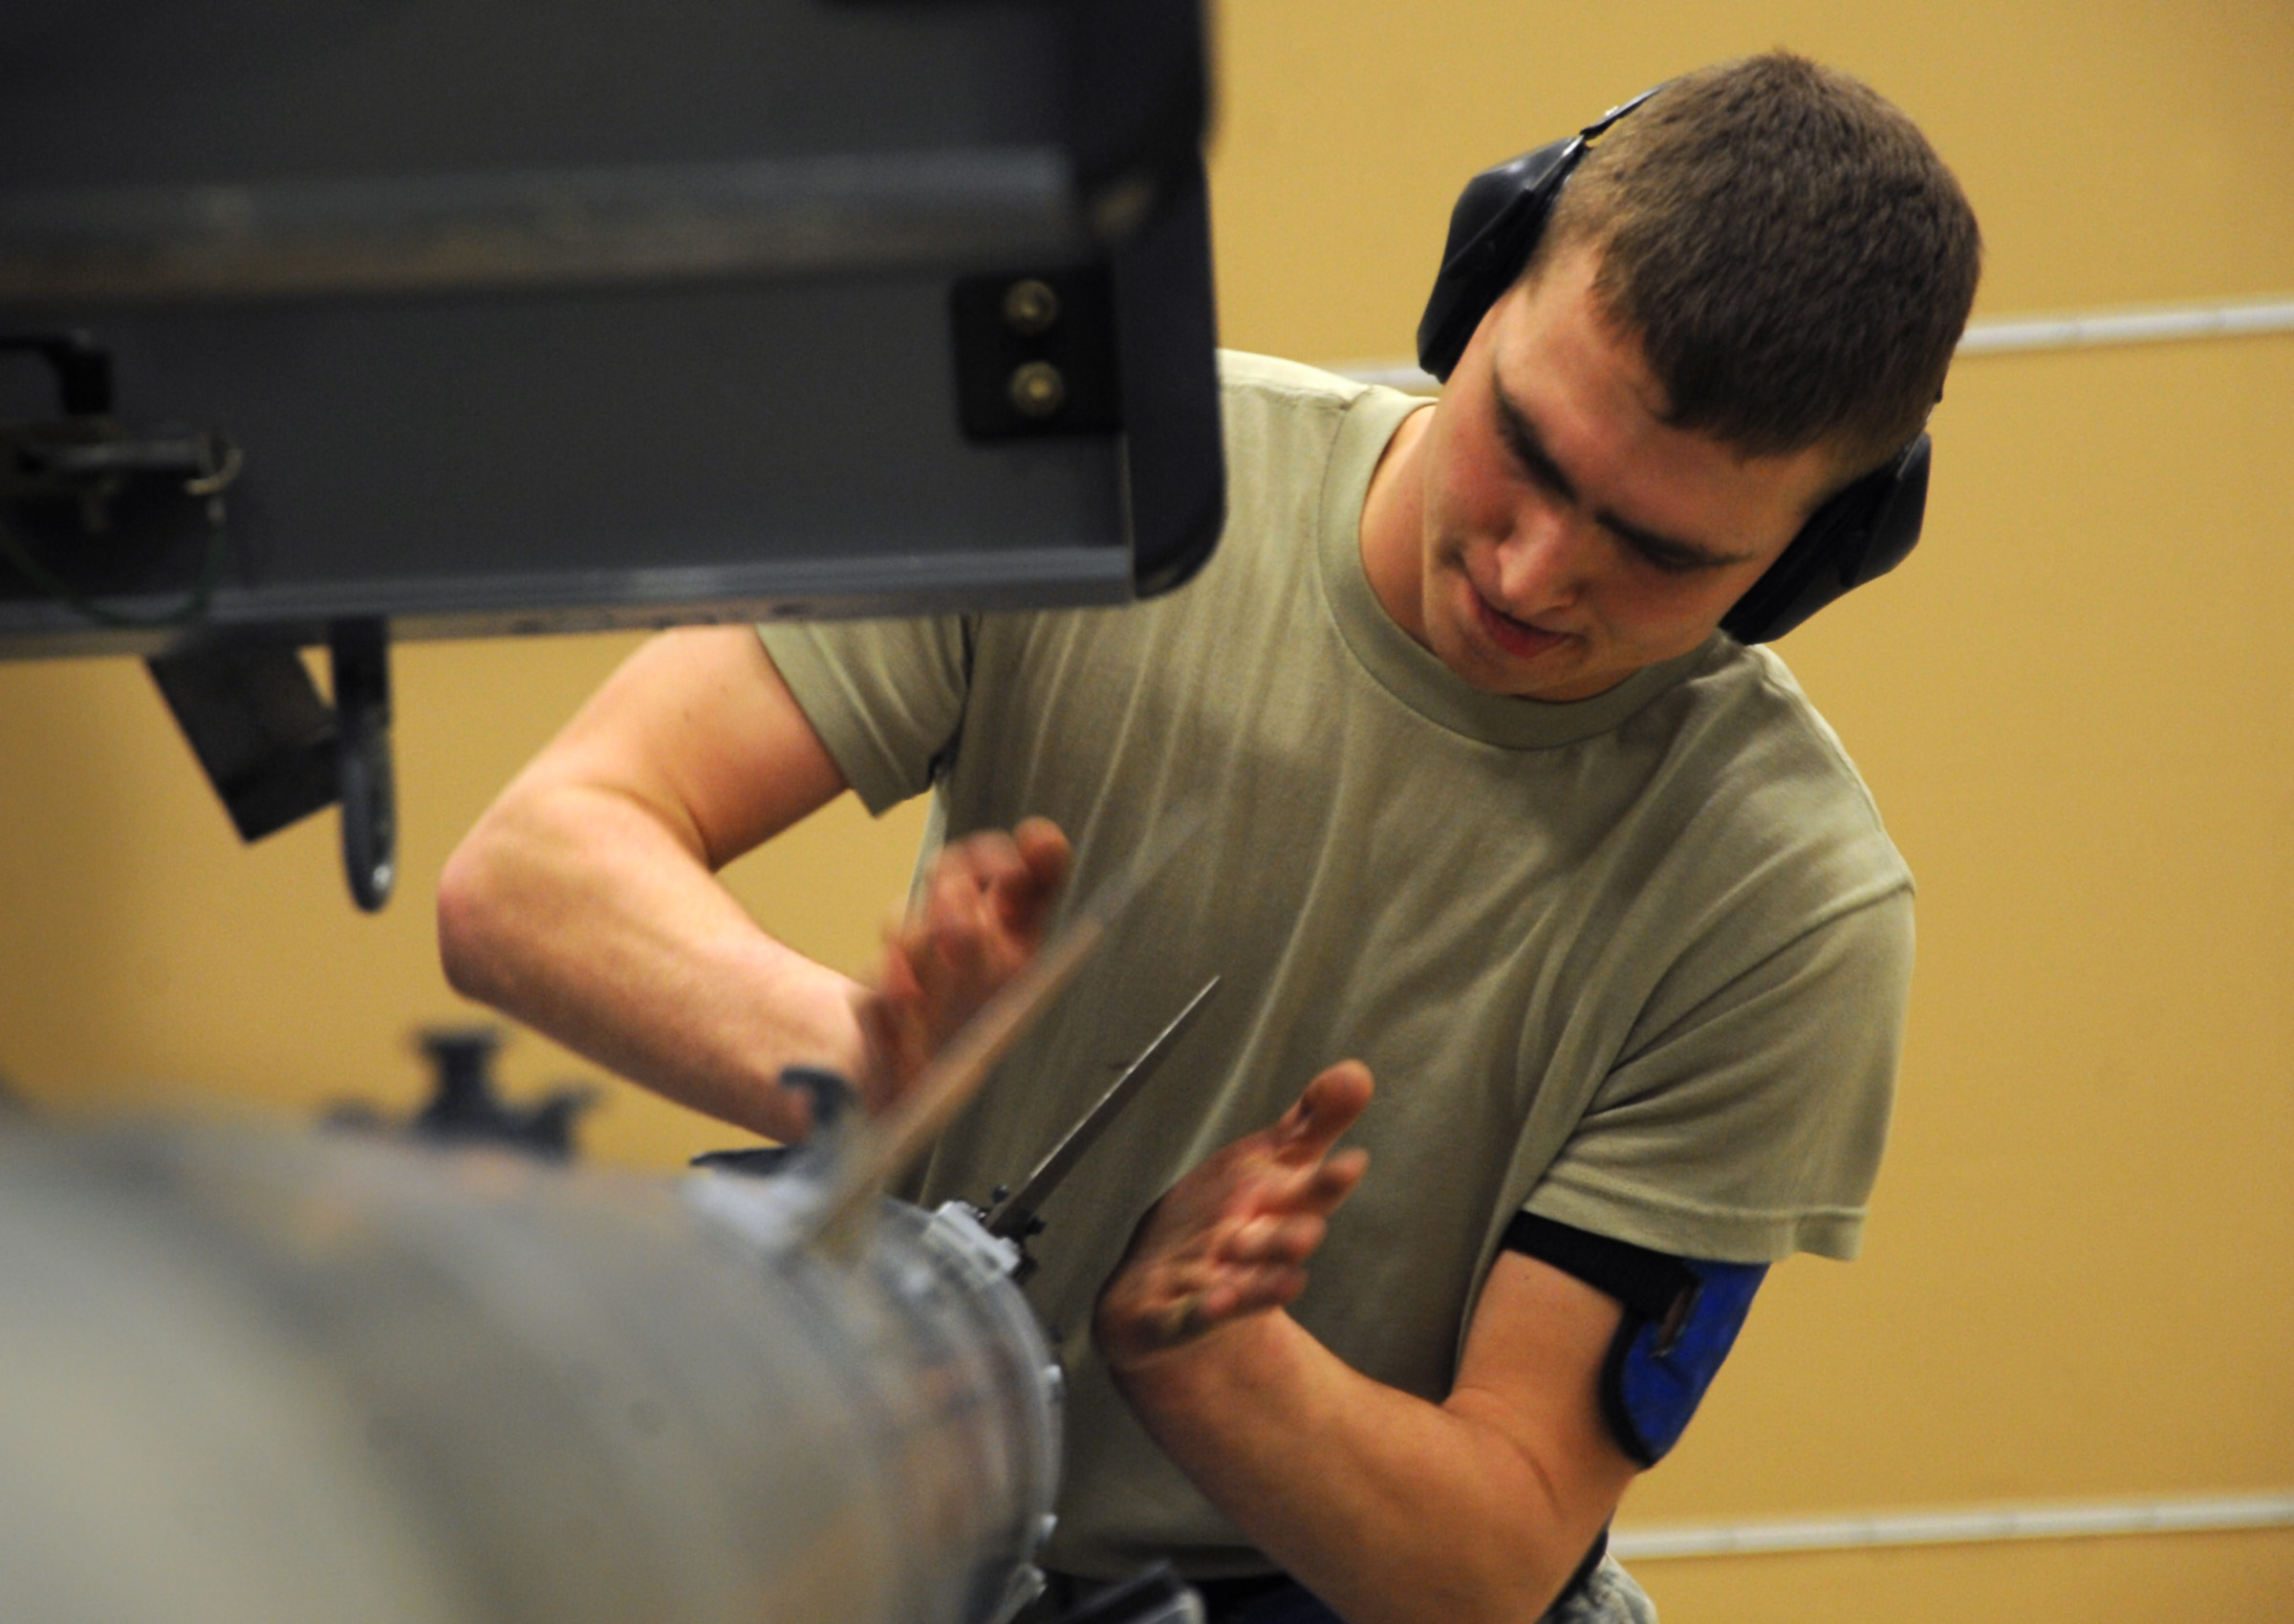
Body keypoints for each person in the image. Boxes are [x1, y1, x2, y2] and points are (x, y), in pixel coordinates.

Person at [439, 53, 1980, 1624]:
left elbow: (1496, 1555)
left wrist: (1224, 1370)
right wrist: (863, 1060)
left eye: (1656, 551)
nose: (1528, 572)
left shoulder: (1789, 906)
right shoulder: (1099, 480)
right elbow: (534, 871)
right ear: (1482, 286)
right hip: (859, 1524)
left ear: (1813, 556)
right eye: (1523, 444)